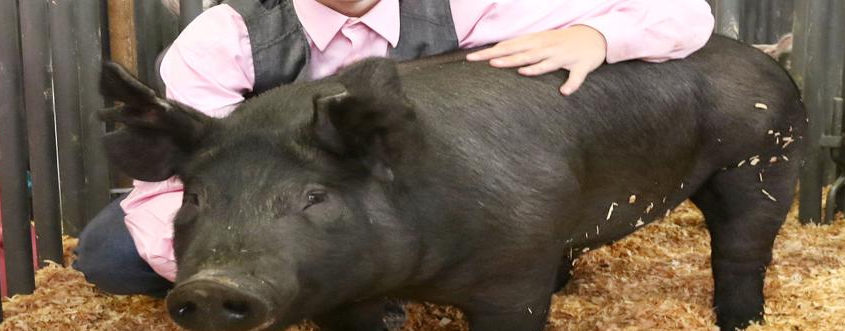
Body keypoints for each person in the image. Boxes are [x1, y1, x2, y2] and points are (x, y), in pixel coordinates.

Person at [73, 0, 717, 296]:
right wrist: (220, 272)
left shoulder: (466, 8)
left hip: (424, 209)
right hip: (274, 218)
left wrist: (591, 36)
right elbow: (185, 176)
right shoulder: (229, 34)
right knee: (111, 256)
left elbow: (686, 14)